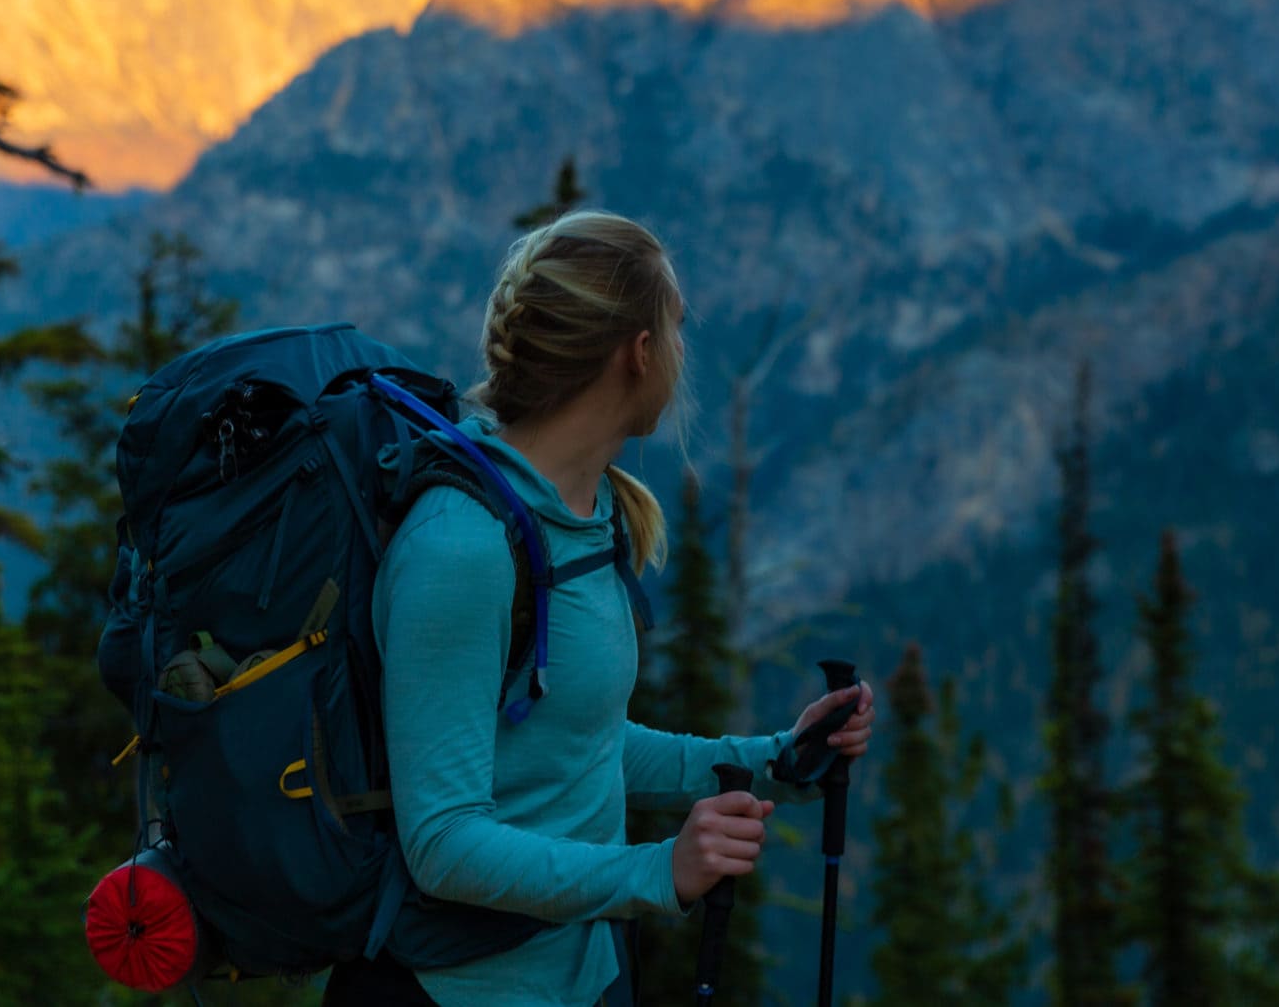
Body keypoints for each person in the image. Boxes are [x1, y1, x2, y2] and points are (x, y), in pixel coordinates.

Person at [322, 210, 874, 1007]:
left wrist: (777, 758)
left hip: (584, 975)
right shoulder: (461, 547)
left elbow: (574, 745)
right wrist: (655, 871)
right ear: (637, 353)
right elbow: (442, 842)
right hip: (459, 989)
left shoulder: (578, 513)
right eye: (675, 332)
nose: (682, 358)